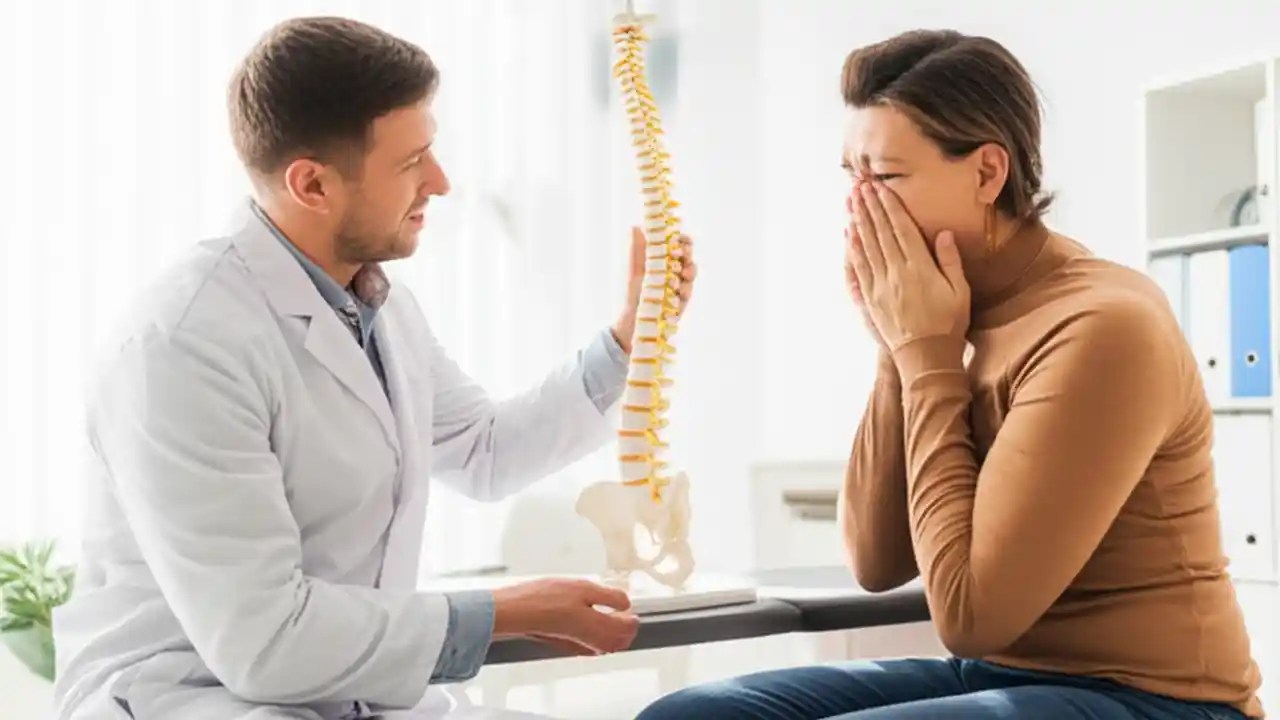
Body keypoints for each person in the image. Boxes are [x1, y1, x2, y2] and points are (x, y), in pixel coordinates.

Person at [52, 16, 697, 720]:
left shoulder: (379, 308)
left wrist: (629, 341)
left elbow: (486, 451)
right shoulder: (181, 345)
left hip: (342, 696)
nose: (442, 182)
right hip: (193, 697)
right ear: (312, 186)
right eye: (412, 161)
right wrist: (499, 612)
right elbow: (263, 641)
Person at [638, 28, 1260, 720]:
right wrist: (894, 350)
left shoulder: (1102, 326)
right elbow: (876, 563)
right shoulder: (945, 309)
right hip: (998, 673)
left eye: (887, 176)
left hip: (1157, 700)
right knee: (690, 715)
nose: (859, 205)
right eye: (851, 174)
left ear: (988, 174)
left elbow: (968, 612)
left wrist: (924, 353)